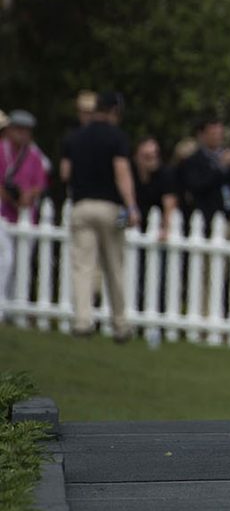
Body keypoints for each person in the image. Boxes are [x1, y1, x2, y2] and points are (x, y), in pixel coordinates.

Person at [60, 92, 139, 341]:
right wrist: (132, 206)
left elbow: (65, 173)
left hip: (82, 206)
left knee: (83, 266)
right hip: (111, 209)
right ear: (114, 111)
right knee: (114, 265)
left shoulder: (75, 137)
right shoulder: (117, 137)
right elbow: (121, 172)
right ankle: (120, 324)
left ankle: (83, 321)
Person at [177, 118, 230, 229]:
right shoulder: (193, 161)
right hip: (207, 219)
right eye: (213, 133)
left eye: (220, 133)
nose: (217, 137)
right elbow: (197, 186)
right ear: (202, 135)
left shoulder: (227, 156)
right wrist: (219, 167)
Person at [0, 109, 49, 226]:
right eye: (19, 129)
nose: (23, 134)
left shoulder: (34, 155)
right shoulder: (1, 150)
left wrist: (29, 194)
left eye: (27, 131)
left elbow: (41, 184)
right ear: (9, 130)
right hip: (3, 212)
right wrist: (9, 196)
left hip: (25, 214)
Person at [133, 137, 179, 241]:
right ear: (136, 157)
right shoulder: (132, 175)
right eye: (147, 156)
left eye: (155, 155)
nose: (152, 160)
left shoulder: (166, 174)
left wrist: (165, 228)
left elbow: (169, 203)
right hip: (137, 225)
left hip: (156, 227)